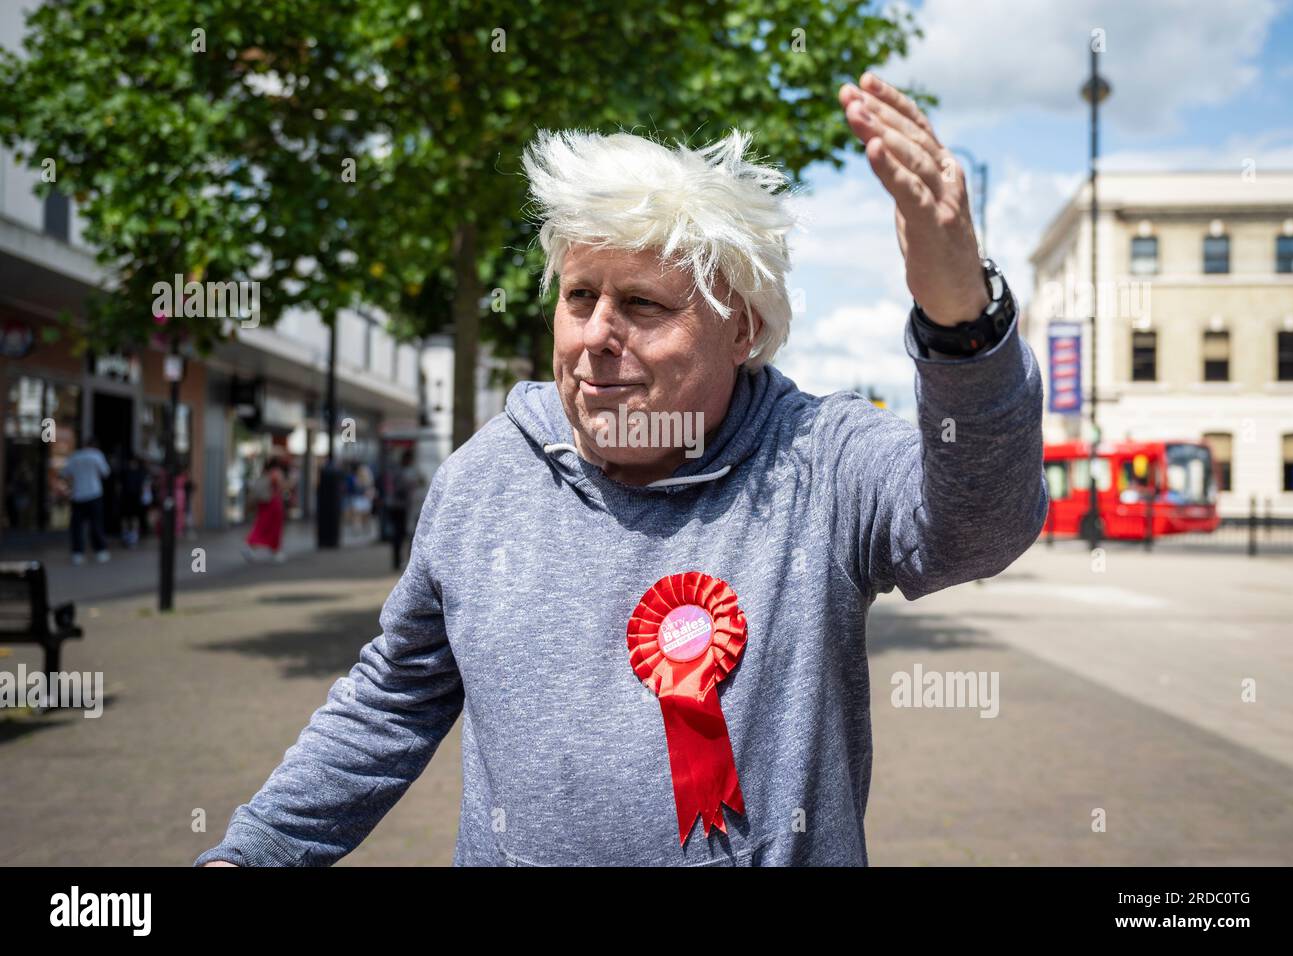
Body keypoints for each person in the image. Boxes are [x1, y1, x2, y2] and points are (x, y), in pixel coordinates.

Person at [197, 74, 1047, 867]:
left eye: (642, 304)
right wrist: (252, 852)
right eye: (579, 298)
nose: (596, 334)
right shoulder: (485, 476)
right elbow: (394, 696)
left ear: (742, 331)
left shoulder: (819, 458)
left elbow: (979, 525)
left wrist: (962, 324)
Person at [60, 435, 111, 565]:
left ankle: (78, 553)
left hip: (78, 495)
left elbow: (64, 473)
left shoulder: (75, 456)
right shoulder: (96, 455)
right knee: (96, 524)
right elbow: (105, 472)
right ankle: (100, 551)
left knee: (77, 526)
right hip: (94, 494)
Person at [384, 449, 426, 571]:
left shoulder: (397, 471)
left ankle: (398, 561)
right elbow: (404, 487)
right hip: (401, 507)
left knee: (399, 534)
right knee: (402, 534)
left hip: (397, 506)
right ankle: (401, 561)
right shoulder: (403, 472)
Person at [242, 458, 286, 563]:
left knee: (261, 526)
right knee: (273, 528)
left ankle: (251, 548)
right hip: (273, 504)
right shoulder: (276, 473)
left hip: (264, 504)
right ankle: (275, 551)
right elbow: (281, 486)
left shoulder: (264, 474)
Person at [119, 456, 148, 548]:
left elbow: (143, 486)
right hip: (127, 499)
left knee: (133, 518)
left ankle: (132, 537)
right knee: (127, 519)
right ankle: (127, 537)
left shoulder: (139, 473)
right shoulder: (125, 473)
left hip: (135, 498)